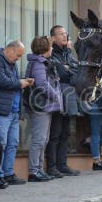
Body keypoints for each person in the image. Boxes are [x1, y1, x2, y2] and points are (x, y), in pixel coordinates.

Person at [0, 40, 31, 186]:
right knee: (1, 143)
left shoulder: (10, 61)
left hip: (13, 109)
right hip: (0, 109)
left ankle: (8, 173)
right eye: (18, 55)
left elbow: (12, 81)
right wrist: (19, 83)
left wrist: (23, 82)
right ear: (10, 49)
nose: (18, 58)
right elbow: (0, 80)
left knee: (13, 143)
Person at [24, 36, 62, 182]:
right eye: (50, 47)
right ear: (45, 49)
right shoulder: (39, 64)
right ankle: (34, 171)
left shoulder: (42, 62)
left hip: (44, 105)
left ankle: (39, 169)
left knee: (43, 139)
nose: (52, 49)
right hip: (41, 106)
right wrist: (56, 97)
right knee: (39, 140)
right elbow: (41, 83)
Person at [46, 25, 80, 178]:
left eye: (65, 33)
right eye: (61, 34)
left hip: (69, 96)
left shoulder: (67, 53)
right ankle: (51, 167)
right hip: (56, 96)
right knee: (55, 133)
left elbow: (76, 71)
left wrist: (68, 69)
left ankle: (62, 164)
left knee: (66, 133)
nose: (65, 36)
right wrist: (67, 70)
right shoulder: (50, 53)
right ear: (52, 38)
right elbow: (59, 72)